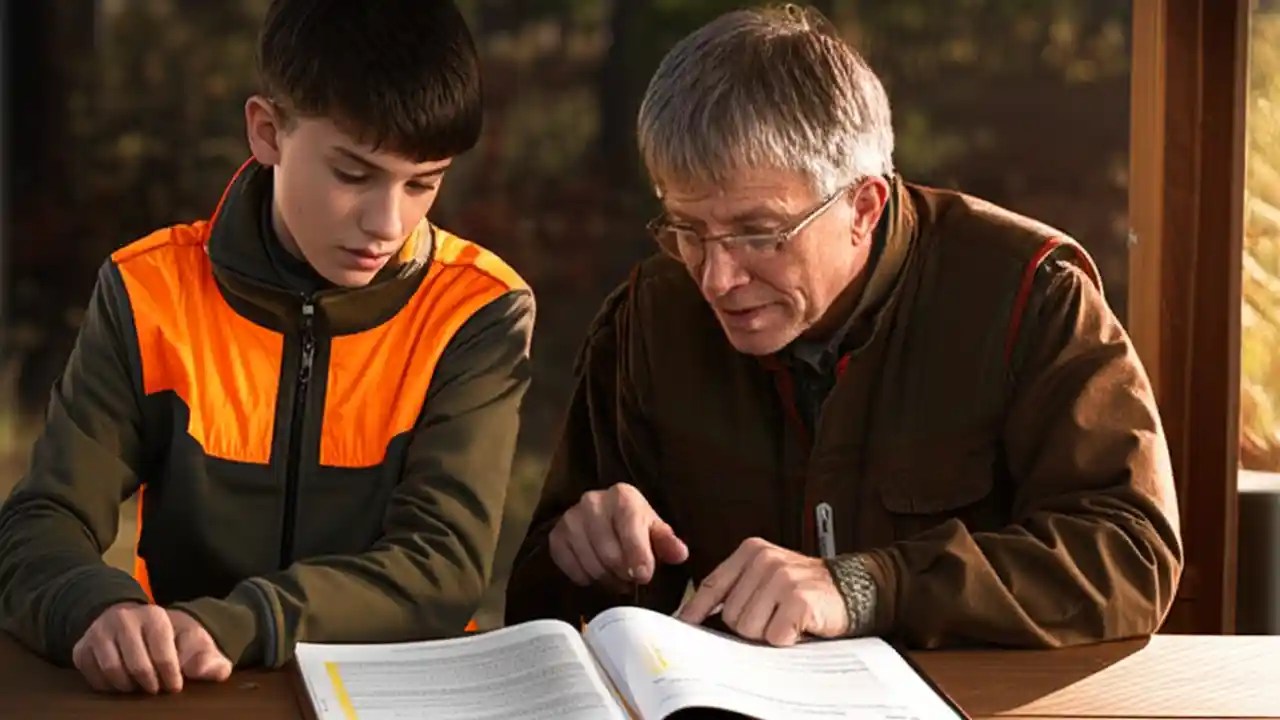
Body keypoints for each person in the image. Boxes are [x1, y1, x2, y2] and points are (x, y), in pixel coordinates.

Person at [506, 4, 1181, 649]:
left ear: (864, 205)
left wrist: (865, 587)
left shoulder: (1029, 296)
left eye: (758, 234)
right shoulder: (647, 318)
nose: (714, 279)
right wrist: (584, 552)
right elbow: (542, 606)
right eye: (687, 229)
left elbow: (1130, 555)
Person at [0, 0, 533, 695]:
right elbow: (41, 520)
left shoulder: (479, 311)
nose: (387, 223)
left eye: (422, 184)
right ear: (267, 130)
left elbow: (442, 569)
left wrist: (239, 624)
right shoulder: (148, 292)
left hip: (403, 695)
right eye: (353, 174)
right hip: (187, 696)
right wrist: (93, 608)